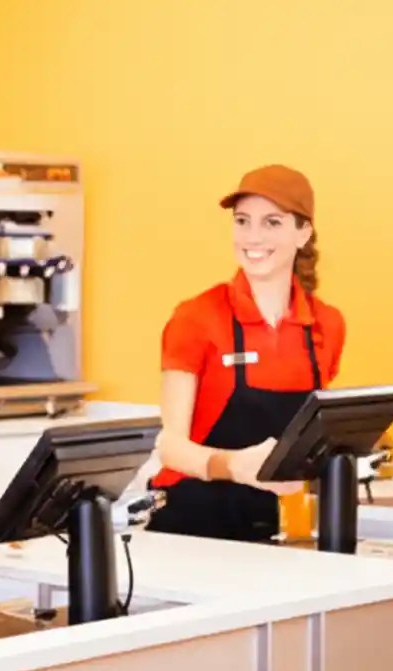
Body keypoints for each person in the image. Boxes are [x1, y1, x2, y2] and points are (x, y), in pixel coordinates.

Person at [146, 164, 346, 542]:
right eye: (242, 221)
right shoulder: (197, 317)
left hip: (284, 527)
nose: (252, 237)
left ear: (303, 233)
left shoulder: (327, 324)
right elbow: (169, 445)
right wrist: (235, 465)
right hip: (193, 522)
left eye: (272, 223)